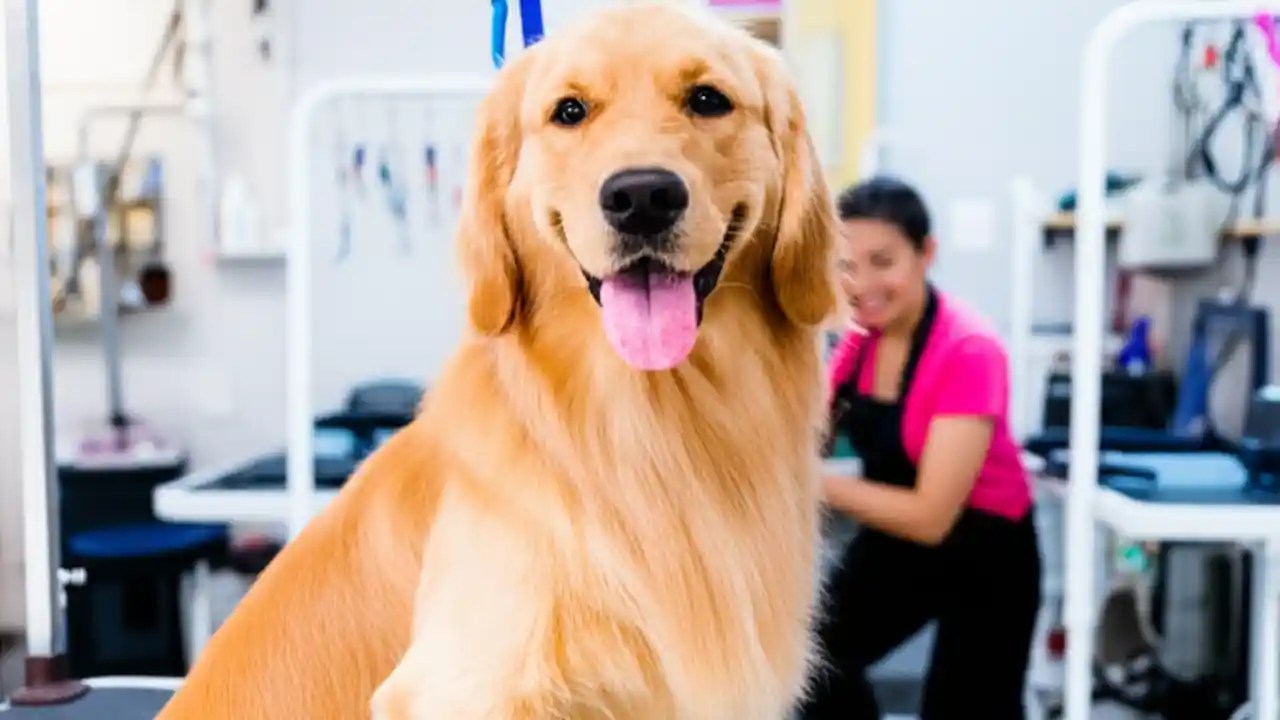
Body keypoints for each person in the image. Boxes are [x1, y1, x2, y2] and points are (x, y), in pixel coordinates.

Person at [800, 177, 1042, 719]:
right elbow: (810, 430)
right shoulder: (860, 335)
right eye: (846, 264)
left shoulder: (969, 350)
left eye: (882, 261)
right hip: (897, 534)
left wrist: (808, 483)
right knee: (810, 666)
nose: (862, 284)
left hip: (985, 551)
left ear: (925, 253)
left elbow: (933, 516)